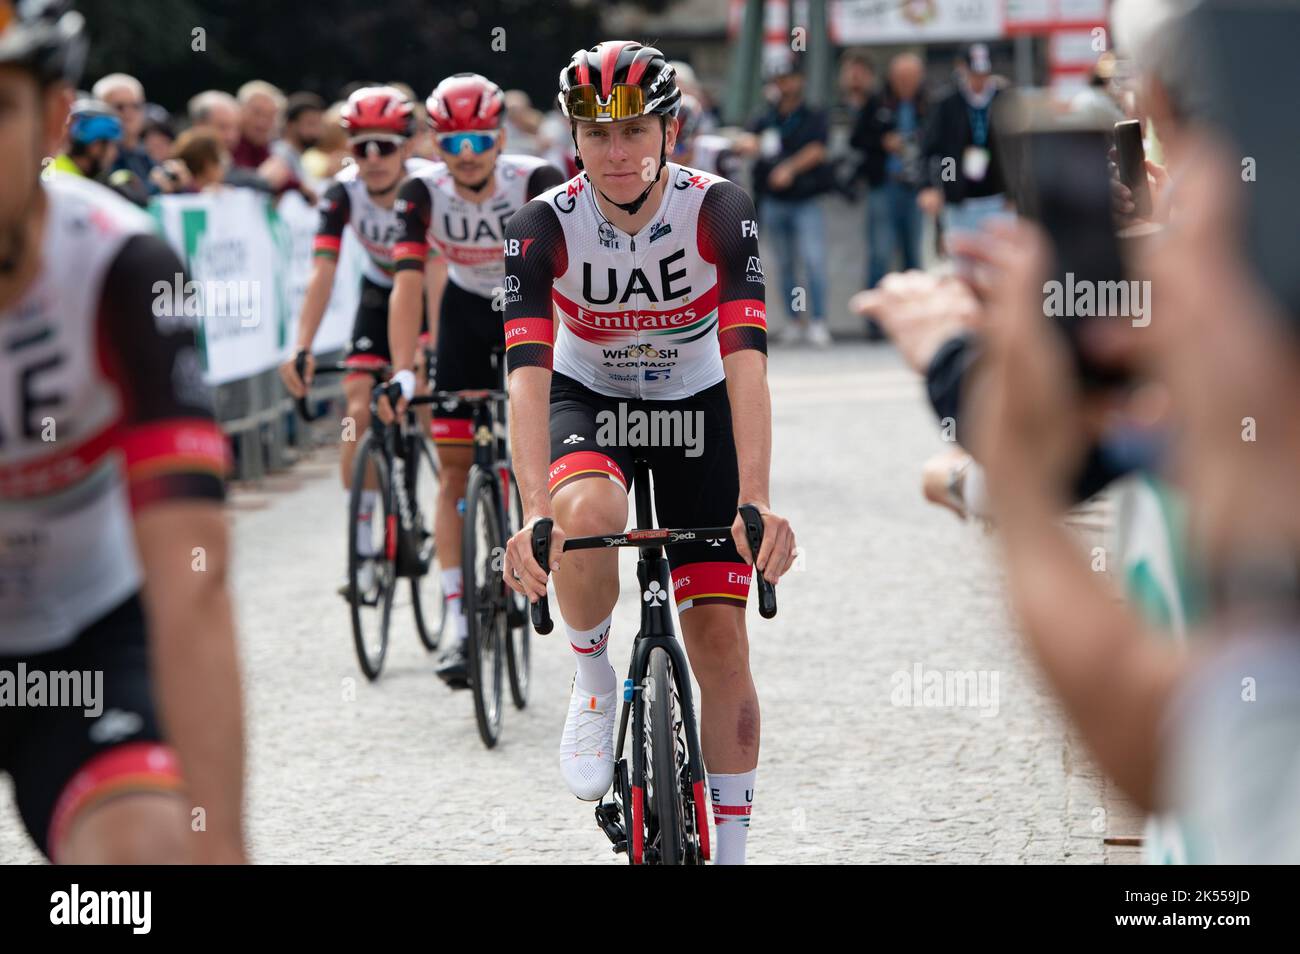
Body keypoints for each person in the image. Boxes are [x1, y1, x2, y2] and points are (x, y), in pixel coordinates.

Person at [499, 41, 797, 865]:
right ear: (573, 140)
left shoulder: (719, 209)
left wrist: (759, 497)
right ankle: (595, 682)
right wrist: (532, 515)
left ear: (671, 130)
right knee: (587, 514)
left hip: (701, 404)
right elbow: (527, 382)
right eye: (596, 134)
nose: (617, 152)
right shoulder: (539, 227)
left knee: (721, 647)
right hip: (592, 399)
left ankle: (731, 854)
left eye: (633, 130)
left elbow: (748, 359)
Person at [0, 0, 246, 864]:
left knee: (146, 857)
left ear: (53, 118)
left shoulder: (121, 265)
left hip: (88, 628)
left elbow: (193, 581)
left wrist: (223, 846)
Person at [385, 73, 565, 687]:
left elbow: (569, 273)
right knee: (456, 468)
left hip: (527, 307)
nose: (467, 156)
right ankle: (461, 623)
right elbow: (408, 283)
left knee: (530, 451)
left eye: (479, 141)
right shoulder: (421, 190)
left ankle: (527, 546)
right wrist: (406, 370)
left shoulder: (536, 178)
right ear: (436, 144)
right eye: (453, 143)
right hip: (463, 313)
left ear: (498, 137)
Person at [278, 87, 433, 599]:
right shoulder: (342, 192)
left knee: (429, 404)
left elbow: (436, 272)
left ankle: (436, 497)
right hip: (378, 293)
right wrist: (300, 346)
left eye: (384, 146)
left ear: (406, 146)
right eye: (360, 146)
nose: (372, 159)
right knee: (357, 408)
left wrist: (417, 357)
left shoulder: (430, 186)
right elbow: (321, 272)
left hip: (433, 291)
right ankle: (364, 545)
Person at [738, 59, 833, 347]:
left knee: (813, 260)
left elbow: (818, 150)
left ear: (799, 80)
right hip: (773, 201)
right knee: (783, 263)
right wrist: (748, 144)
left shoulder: (813, 114)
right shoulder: (766, 116)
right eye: (779, 79)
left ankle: (818, 321)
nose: (784, 85)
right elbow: (747, 141)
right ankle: (794, 321)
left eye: (789, 78)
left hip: (804, 199)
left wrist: (790, 168)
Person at [851, 52, 929, 338]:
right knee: (880, 254)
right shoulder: (877, 102)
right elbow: (856, 138)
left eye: (911, 79)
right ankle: (876, 324)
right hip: (884, 185)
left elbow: (939, 141)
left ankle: (916, 322)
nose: (906, 84)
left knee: (914, 256)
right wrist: (882, 141)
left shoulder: (928, 103)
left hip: (915, 188)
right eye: (901, 79)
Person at [919, 44, 1010, 241]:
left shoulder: (1004, 99)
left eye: (984, 73)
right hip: (960, 200)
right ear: (963, 69)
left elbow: (1019, 152)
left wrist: (1015, 193)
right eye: (974, 73)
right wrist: (940, 186)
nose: (980, 80)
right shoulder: (947, 103)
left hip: (998, 197)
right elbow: (937, 150)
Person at [91, 72, 155, 188]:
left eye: (136, 106)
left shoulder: (144, 155)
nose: (129, 113)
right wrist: (156, 187)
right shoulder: (95, 157)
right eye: (119, 107)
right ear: (99, 111)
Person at [271, 91, 326, 200]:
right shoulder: (279, 154)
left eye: (319, 124)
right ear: (290, 125)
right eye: (311, 124)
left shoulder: (298, 156)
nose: (317, 132)